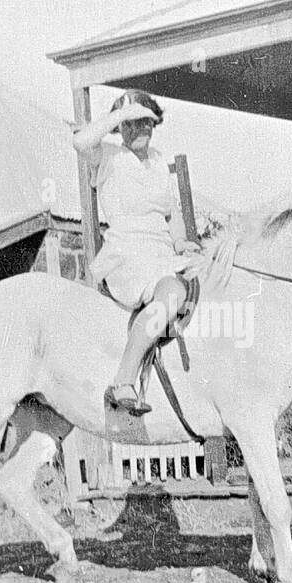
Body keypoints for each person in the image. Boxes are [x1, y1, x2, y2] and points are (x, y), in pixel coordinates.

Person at [72, 90, 207, 415]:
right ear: (120, 127)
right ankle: (124, 380)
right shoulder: (106, 156)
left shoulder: (159, 161)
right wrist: (121, 114)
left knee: (210, 282)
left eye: (145, 122)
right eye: (131, 124)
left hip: (162, 252)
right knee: (172, 294)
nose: (139, 130)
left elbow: (171, 212)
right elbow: (79, 142)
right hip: (128, 254)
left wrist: (180, 242)